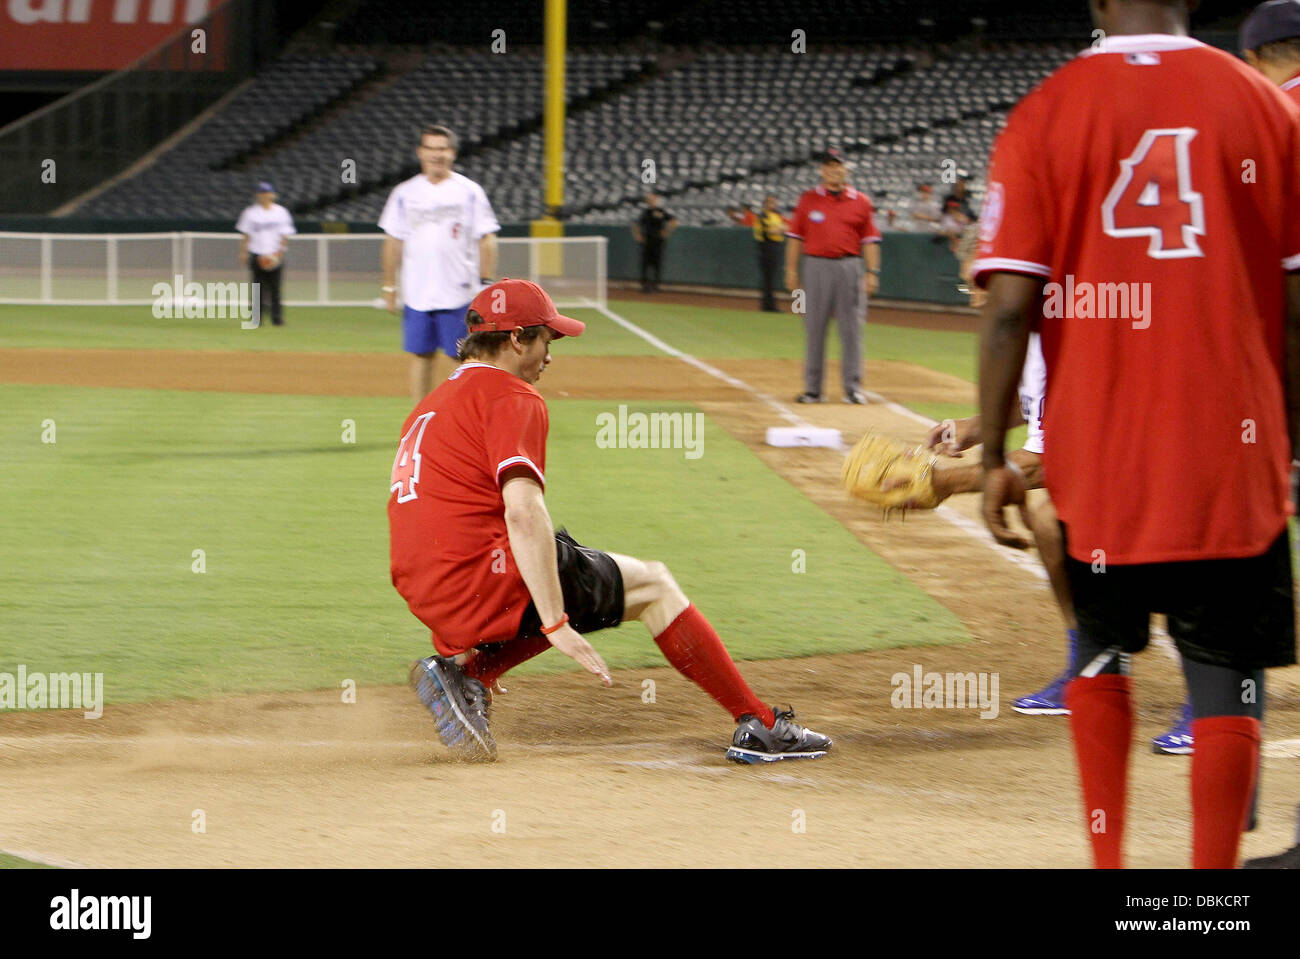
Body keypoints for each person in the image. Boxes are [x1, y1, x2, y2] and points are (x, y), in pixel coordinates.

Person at [974, 0, 1300, 869]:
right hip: (1232, 456)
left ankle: (1111, 873)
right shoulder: (1265, 105)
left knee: (1103, 654)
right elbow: (1297, 310)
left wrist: (998, 459)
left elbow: (1008, 310)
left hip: (1101, 457)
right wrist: (1290, 444)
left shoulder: (1048, 107)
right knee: (1227, 672)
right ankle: (1209, 898)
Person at [387, 278, 832, 765]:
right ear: (516, 339)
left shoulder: (430, 402)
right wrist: (555, 623)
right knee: (653, 586)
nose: (550, 355)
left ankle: (470, 675)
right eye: (546, 340)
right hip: (475, 576)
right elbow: (523, 510)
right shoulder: (511, 395)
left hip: (423, 581)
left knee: (567, 570)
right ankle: (760, 726)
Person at [379, 124, 500, 408]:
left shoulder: (469, 191)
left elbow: (487, 239)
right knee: (421, 355)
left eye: (442, 148)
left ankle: (461, 417)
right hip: (418, 293)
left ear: (453, 153)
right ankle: (419, 418)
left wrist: (485, 283)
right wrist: (389, 286)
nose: (437, 155)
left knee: (463, 358)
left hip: (459, 291)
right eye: (431, 149)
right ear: (421, 153)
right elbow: (393, 242)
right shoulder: (404, 193)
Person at [785, 148, 882, 405]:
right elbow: (795, 238)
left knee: (851, 330)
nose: (834, 170)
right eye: (829, 166)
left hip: (850, 266)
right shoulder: (807, 200)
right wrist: (791, 270)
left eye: (838, 165)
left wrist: (872, 272)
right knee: (814, 327)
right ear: (822, 170)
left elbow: (870, 241)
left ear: (846, 170)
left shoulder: (861, 201)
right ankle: (813, 389)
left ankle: (853, 389)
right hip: (815, 265)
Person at [236, 181, 295, 327]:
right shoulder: (250, 213)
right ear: (258, 195)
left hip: (274, 254)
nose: (265, 196)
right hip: (257, 253)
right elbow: (246, 235)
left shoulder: (281, 212)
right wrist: (243, 252)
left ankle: (277, 319)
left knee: (275, 288)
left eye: (267, 193)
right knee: (257, 289)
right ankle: (256, 319)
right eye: (262, 193)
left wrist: (279, 254)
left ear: (273, 195)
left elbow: (285, 235)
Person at [632, 193, 676, 292]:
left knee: (657, 264)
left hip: (658, 241)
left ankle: (656, 285)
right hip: (647, 240)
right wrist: (638, 235)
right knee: (645, 263)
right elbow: (636, 224)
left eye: (653, 199)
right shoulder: (645, 212)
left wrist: (667, 231)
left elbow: (673, 221)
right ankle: (645, 285)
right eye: (650, 200)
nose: (651, 201)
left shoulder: (661, 212)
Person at [752, 194, 785, 312]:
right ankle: (768, 306)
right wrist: (780, 229)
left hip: (775, 246)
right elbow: (770, 231)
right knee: (768, 278)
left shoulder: (776, 215)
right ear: (765, 204)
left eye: (774, 202)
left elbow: (784, 227)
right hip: (766, 247)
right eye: (771, 202)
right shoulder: (763, 215)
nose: (773, 205)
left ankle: (769, 305)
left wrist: (780, 229)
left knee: (771, 278)